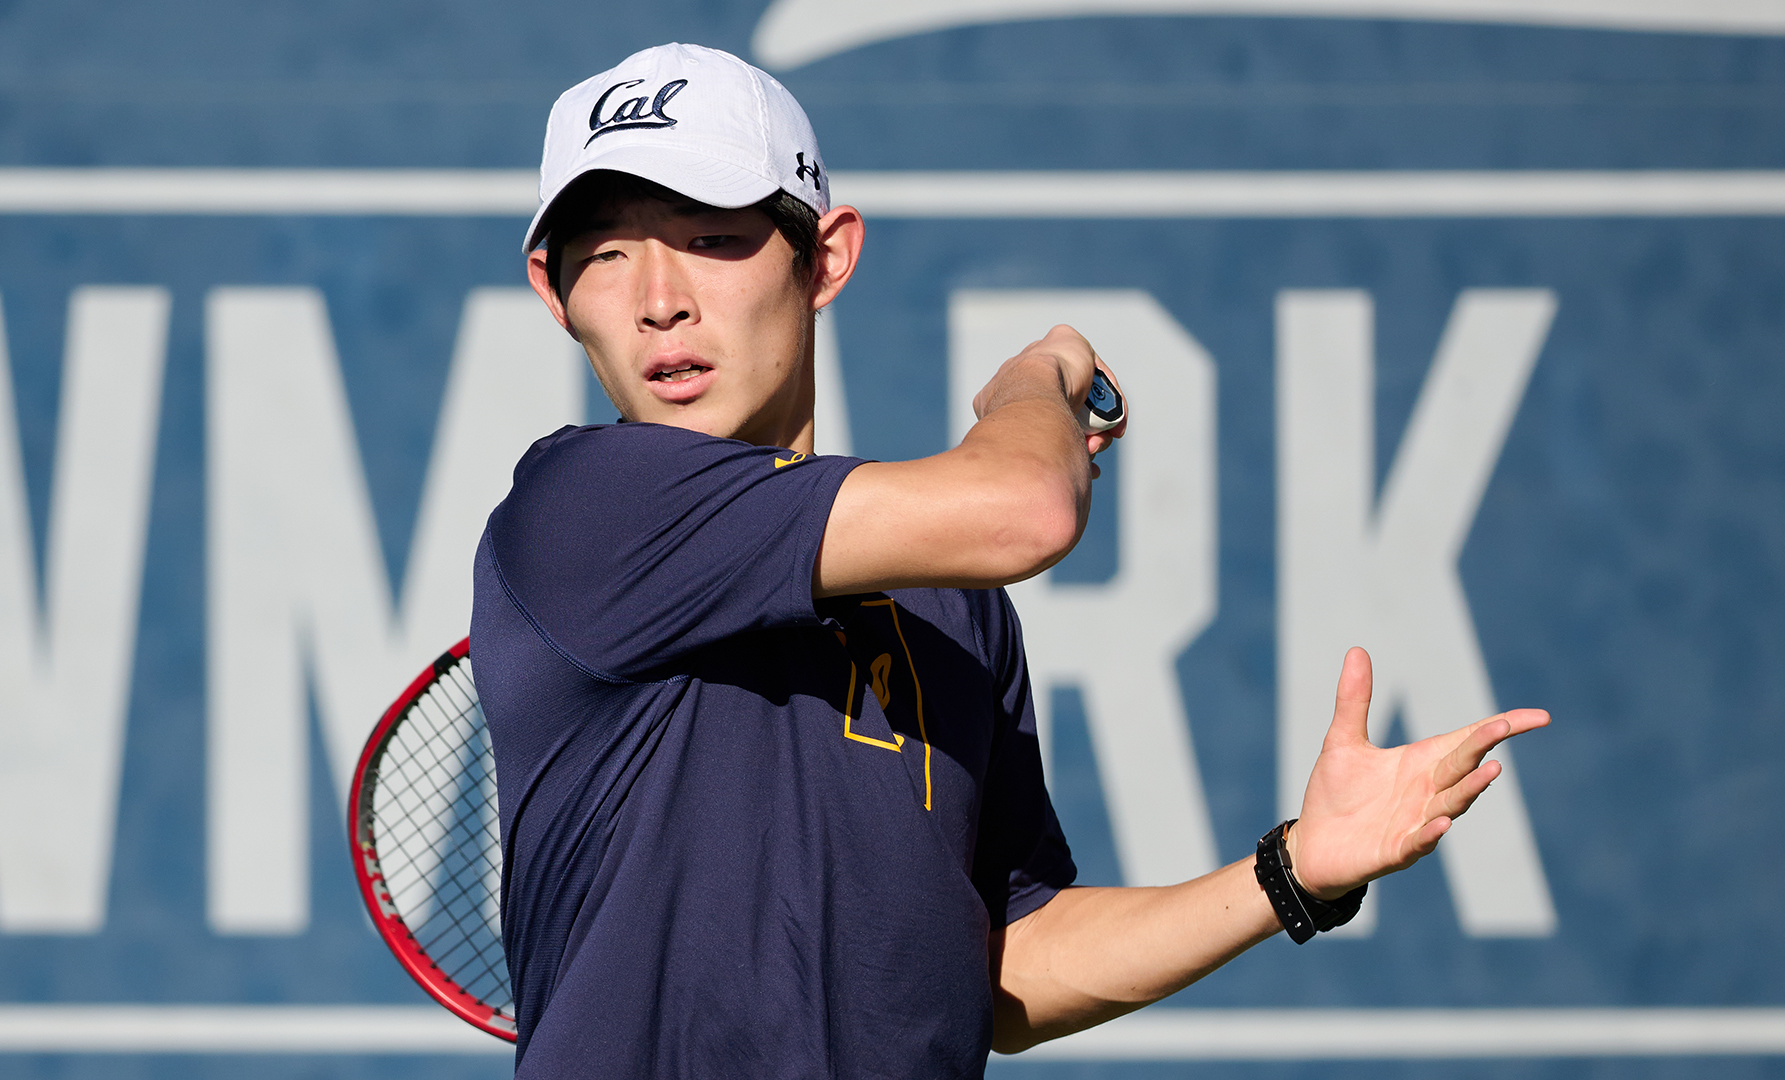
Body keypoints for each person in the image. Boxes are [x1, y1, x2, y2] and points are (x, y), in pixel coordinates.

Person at [470, 41, 1548, 1079]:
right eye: (607, 252)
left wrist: (1292, 873)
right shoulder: (579, 506)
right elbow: (1028, 503)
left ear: (825, 257)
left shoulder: (948, 605)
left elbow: (1008, 964)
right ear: (553, 291)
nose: (659, 296)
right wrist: (1038, 377)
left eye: (709, 236)